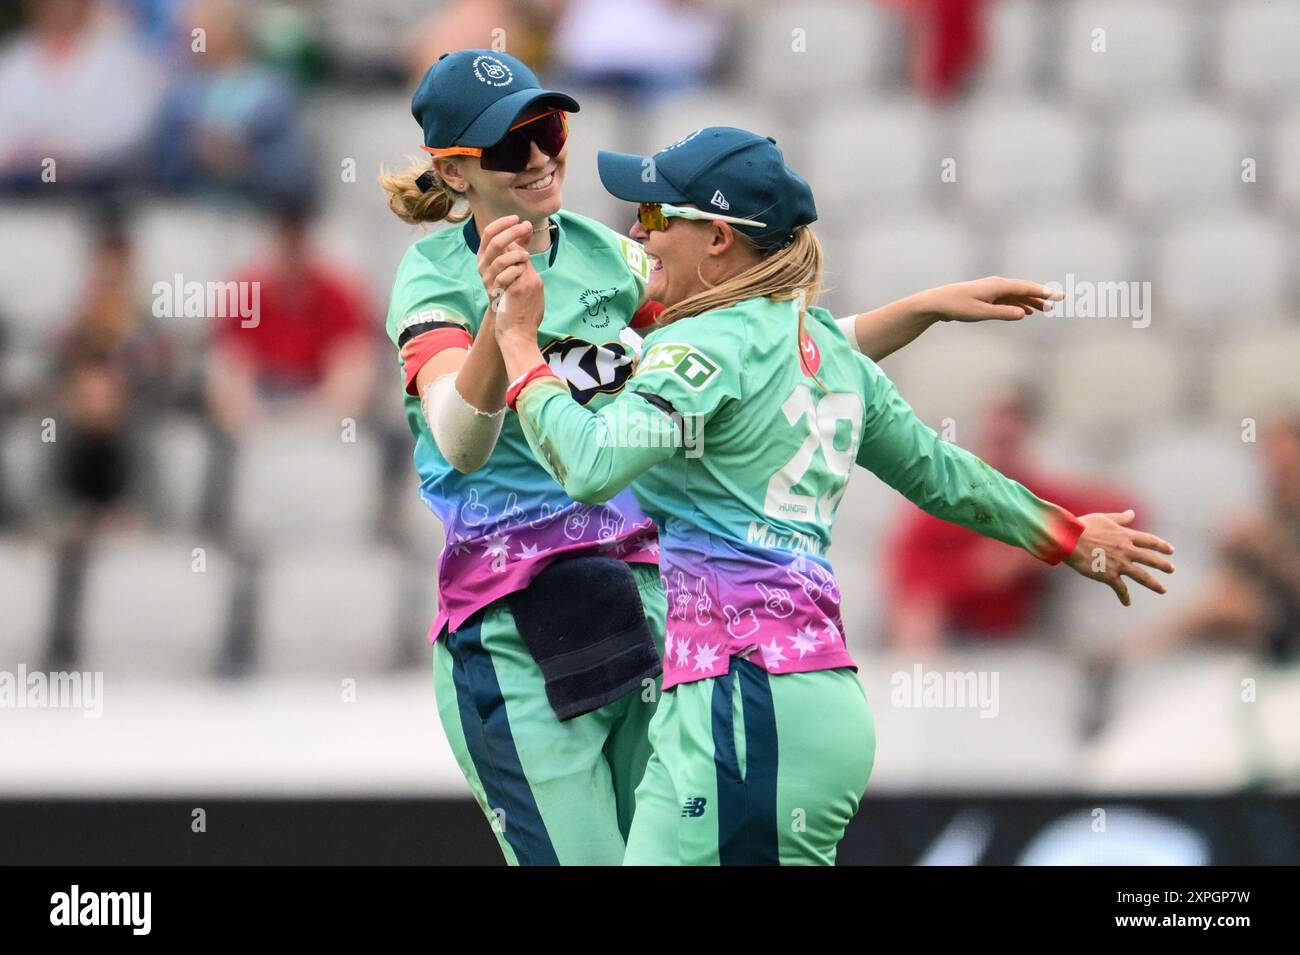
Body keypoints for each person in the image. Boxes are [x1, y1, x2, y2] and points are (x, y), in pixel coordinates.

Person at [381, 49, 1067, 866]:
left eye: (547, 128)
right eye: (507, 145)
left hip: (637, 609)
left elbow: (744, 356)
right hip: (510, 634)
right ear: (455, 173)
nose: (537, 157)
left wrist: (913, 311)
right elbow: (463, 439)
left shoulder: (613, 258)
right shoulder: (430, 281)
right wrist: (504, 321)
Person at [486, 127, 1176, 864]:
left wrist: (519, 341)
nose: (637, 233)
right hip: (805, 704)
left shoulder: (699, 347)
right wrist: (1067, 535)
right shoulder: (822, 350)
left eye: (657, 217)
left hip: (743, 702)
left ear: (717, 238)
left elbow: (590, 463)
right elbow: (942, 474)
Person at [886, 384, 1134, 649]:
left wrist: (1046, 543)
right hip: (960, 635)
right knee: (919, 617)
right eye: (994, 438)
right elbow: (910, 578)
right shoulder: (947, 499)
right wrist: (976, 571)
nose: (999, 450)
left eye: (1009, 440)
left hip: (1033, 636)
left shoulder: (1041, 495)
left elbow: (1127, 514)